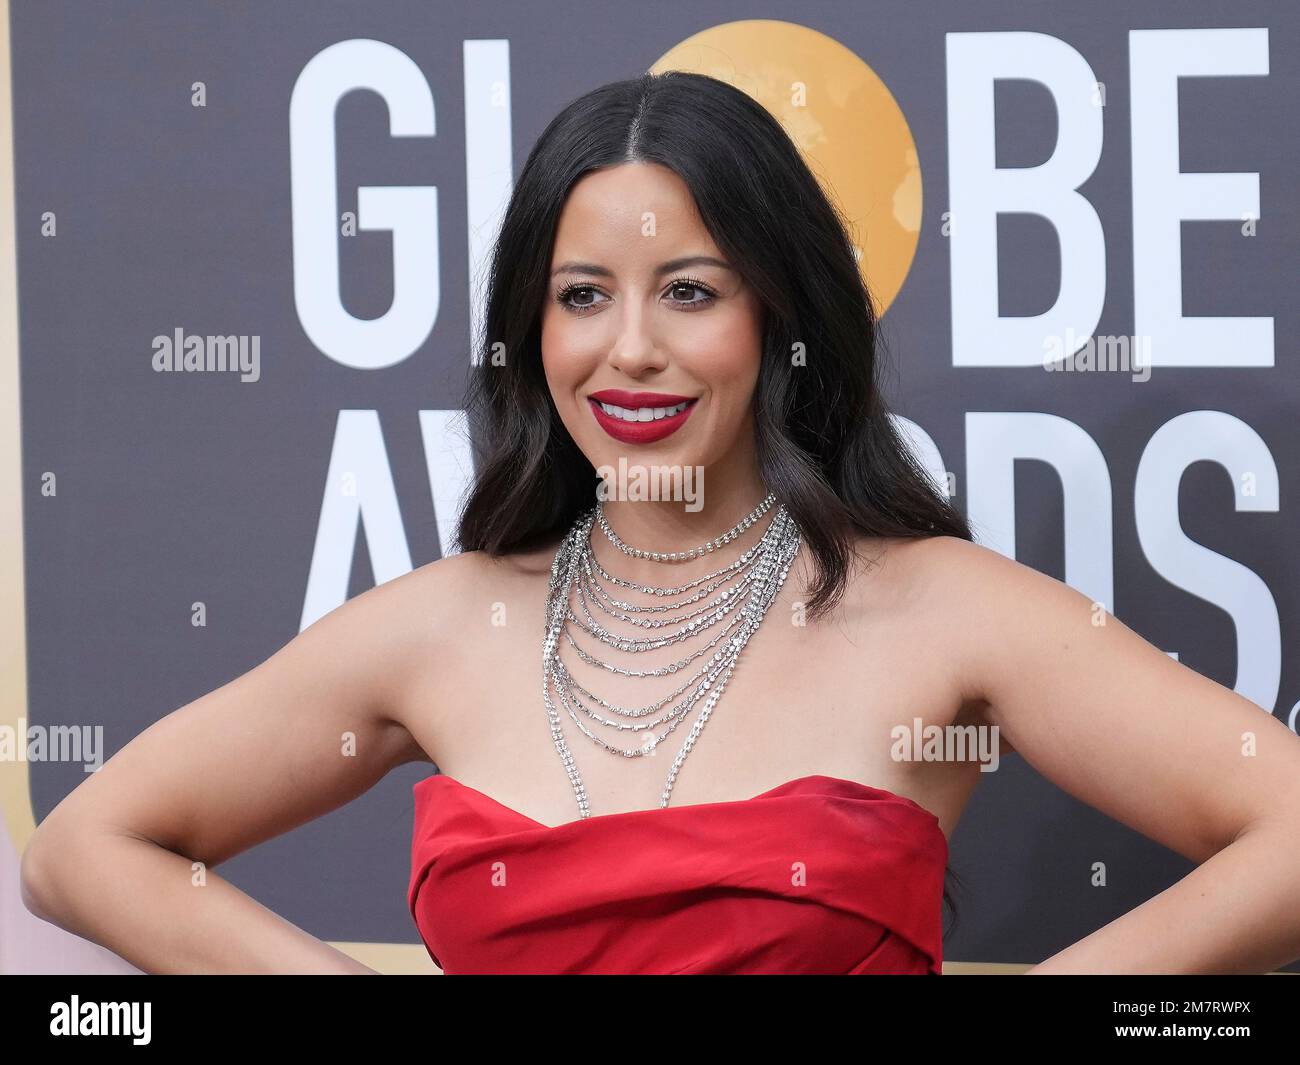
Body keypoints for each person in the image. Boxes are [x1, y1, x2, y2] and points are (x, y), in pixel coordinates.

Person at [20, 71, 1300, 975]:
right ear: (532, 329)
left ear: (778, 321)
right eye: (583, 295)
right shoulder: (441, 626)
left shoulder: (942, 608)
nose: (628, 351)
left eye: (688, 292)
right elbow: (82, 849)